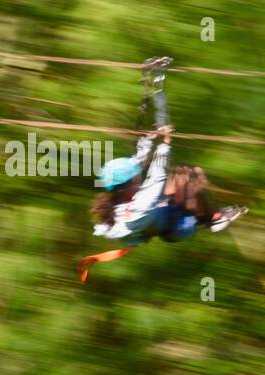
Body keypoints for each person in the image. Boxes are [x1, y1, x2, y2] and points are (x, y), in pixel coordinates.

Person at [81, 57, 245, 282]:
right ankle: (212, 219)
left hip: (161, 215)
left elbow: (138, 161)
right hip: (175, 224)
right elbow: (156, 177)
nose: (138, 177)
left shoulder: (119, 196)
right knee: (187, 175)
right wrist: (165, 142)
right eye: (135, 178)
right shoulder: (138, 206)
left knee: (188, 173)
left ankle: (157, 76)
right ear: (128, 186)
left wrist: (149, 137)